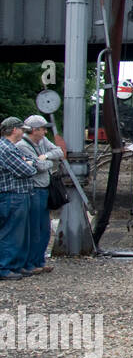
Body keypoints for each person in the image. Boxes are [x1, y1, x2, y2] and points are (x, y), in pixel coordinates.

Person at [0, 116, 45, 279]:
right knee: (11, 232)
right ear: (14, 130)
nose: (23, 133)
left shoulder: (11, 147)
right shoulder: (7, 149)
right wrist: (30, 163)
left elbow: (31, 162)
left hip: (17, 194)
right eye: (21, 129)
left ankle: (16, 265)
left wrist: (29, 162)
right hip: (12, 195)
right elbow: (28, 170)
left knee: (19, 233)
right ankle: (5, 267)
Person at [19, 115, 63, 273]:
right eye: (43, 129)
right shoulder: (22, 145)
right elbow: (39, 167)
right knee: (35, 228)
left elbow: (58, 152)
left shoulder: (42, 141)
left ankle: (39, 260)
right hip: (34, 190)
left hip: (43, 189)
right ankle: (31, 263)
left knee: (44, 229)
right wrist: (49, 162)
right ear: (34, 130)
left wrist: (47, 157)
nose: (45, 131)